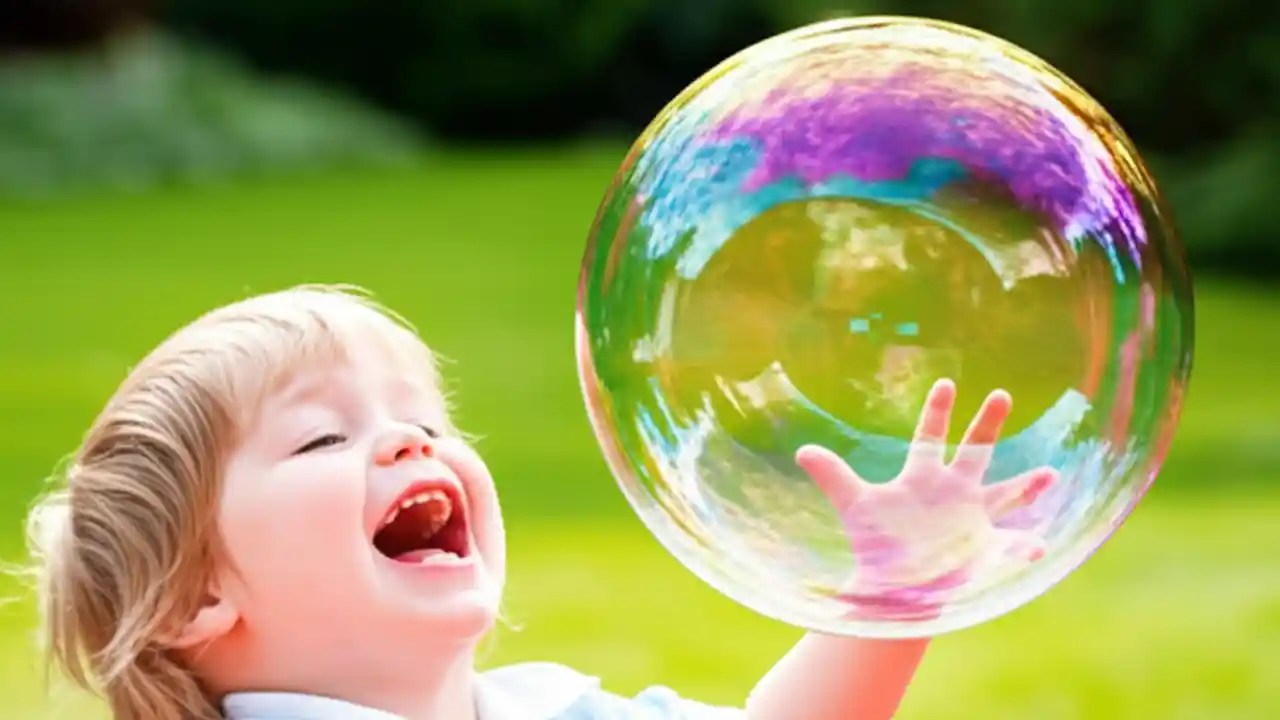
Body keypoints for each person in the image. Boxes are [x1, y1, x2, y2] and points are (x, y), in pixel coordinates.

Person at [21, 285, 1056, 719]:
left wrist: (890, 597)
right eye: (324, 436)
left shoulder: (549, 708)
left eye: (427, 416)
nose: (411, 439)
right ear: (195, 595)